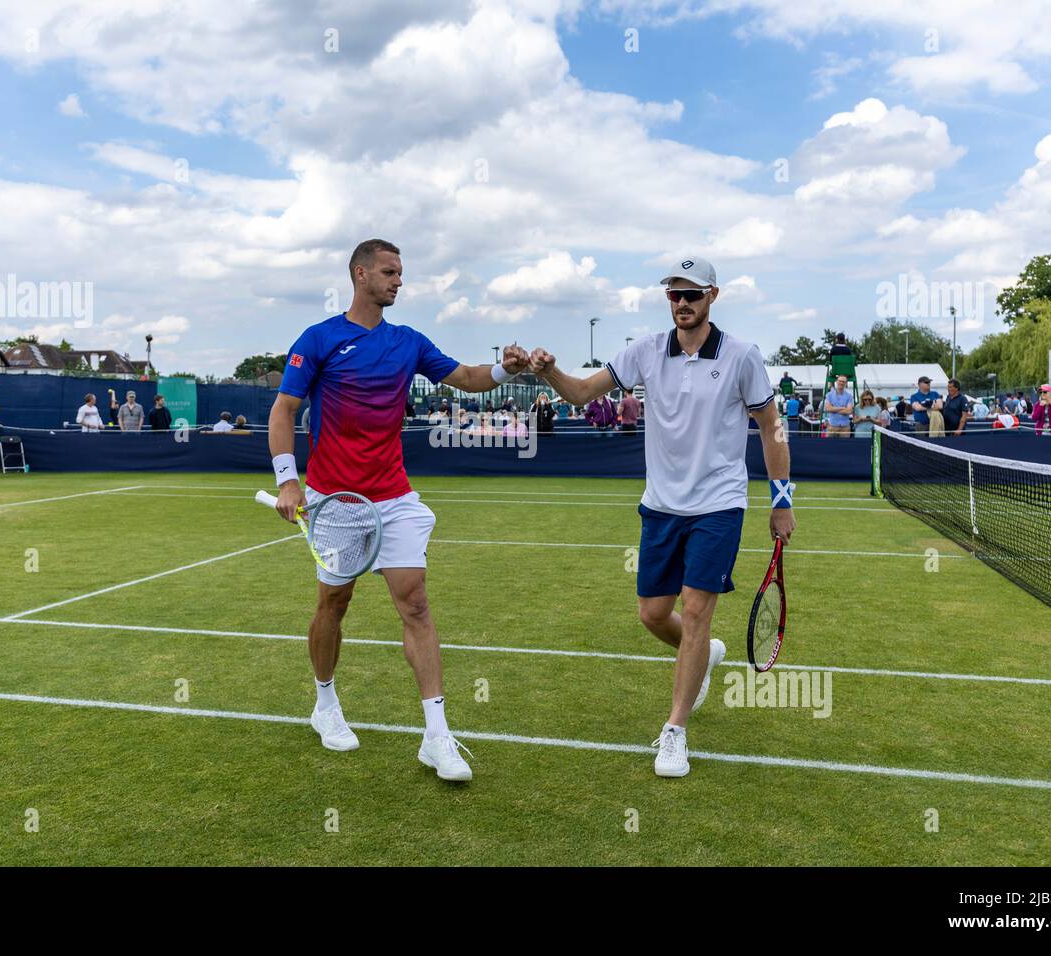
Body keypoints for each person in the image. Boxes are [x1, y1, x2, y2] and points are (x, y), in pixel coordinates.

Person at [267, 238, 532, 783]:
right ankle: (324, 702)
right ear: (360, 274)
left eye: (400, 273)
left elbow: (465, 377)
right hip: (334, 503)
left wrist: (505, 370)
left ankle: (436, 736)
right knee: (333, 605)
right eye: (389, 271)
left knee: (414, 603)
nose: (398, 281)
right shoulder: (318, 339)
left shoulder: (408, 342)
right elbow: (284, 408)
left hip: (394, 496)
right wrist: (288, 480)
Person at [529, 255, 794, 779]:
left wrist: (782, 500)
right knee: (653, 615)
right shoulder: (645, 351)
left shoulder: (742, 356)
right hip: (661, 506)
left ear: (713, 296)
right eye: (674, 294)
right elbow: (582, 393)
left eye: (692, 294)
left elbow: (772, 427)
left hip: (719, 505)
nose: (682, 303)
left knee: (695, 613)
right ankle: (707, 657)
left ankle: (674, 731)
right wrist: (549, 371)